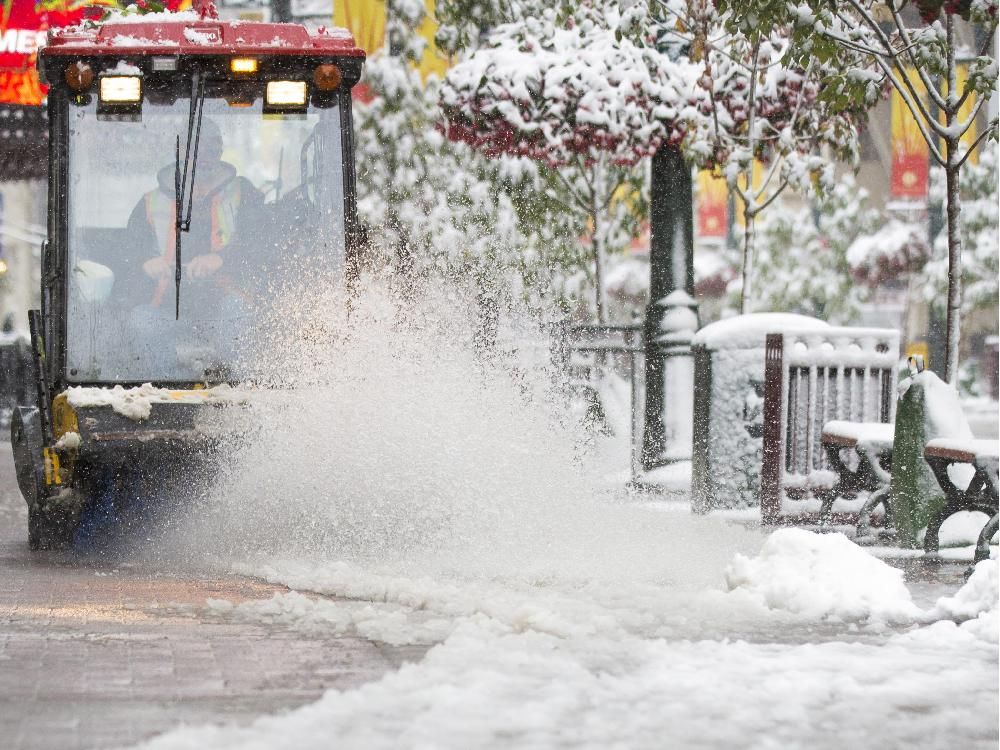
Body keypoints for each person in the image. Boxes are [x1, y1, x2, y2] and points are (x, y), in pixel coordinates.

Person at [126, 117, 263, 312]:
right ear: (180, 151)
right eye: (195, 150)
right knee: (142, 319)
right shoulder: (150, 202)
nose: (203, 157)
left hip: (227, 302)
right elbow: (127, 253)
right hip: (165, 303)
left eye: (211, 150)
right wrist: (145, 263)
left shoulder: (244, 194)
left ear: (219, 152)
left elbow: (263, 244)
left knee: (238, 312)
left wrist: (222, 259)